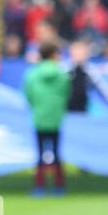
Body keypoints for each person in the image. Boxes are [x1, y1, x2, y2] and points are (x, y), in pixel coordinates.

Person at [23, 39, 70, 196]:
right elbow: (66, 94)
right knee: (56, 153)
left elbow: (29, 96)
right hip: (56, 118)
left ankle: (39, 187)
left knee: (40, 153)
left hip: (39, 117)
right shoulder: (62, 74)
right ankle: (59, 187)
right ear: (53, 54)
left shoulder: (32, 74)